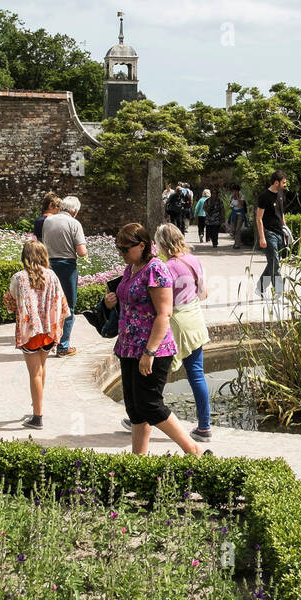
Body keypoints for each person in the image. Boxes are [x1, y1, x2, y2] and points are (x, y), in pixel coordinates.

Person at [104, 223, 208, 457]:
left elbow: (165, 313)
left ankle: (193, 450)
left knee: (150, 405)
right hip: (128, 347)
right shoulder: (131, 268)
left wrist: (149, 352)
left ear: (142, 245)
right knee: (134, 408)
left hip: (153, 350)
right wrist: (112, 301)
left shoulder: (156, 269)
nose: (122, 253)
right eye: (118, 248)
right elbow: (131, 302)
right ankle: (138, 459)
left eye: (125, 248)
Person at [1, 240, 68, 429]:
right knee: (42, 367)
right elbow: (62, 302)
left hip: (30, 331)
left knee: (34, 373)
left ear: (25, 257)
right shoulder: (52, 275)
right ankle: (37, 401)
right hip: (48, 330)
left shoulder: (19, 278)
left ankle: (37, 416)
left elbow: (11, 301)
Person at [156, 223, 212, 441]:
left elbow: (163, 302)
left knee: (155, 372)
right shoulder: (194, 260)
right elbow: (203, 294)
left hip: (176, 323)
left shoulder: (167, 267)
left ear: (163, 243)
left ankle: (140, 418)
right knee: (197, 374)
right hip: (195, 320)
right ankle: (204, 427)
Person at [41, 195, 87, 357]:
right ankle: (63, 346)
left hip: (48, 265)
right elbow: (82, 252)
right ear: (74, 211)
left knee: (51, 304)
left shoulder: (48, 221)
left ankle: (48, 342)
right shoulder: (74, 223)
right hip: (67, 266)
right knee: (68, 307)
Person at [255, 170, 288, 297]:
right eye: (283, 182)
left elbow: (281, 213)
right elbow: (259, 218)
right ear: (276, 182)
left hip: (280, 233)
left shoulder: (280, 194)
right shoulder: (264, 196)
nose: (285, 185)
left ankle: (260, 287)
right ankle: (279, 293)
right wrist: (262, 237)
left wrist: (285, 229)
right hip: (269, 234)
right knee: (275, 264)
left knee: (272, 263)